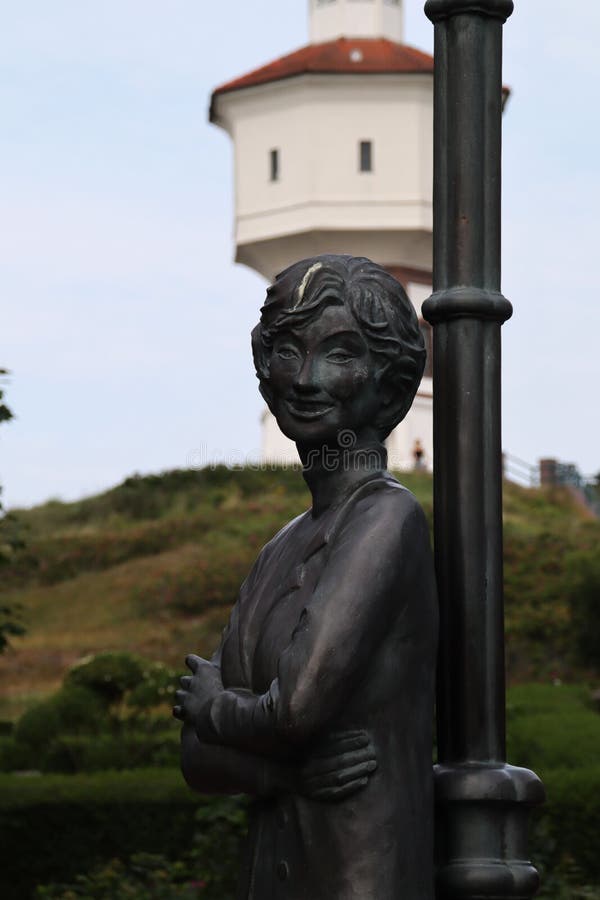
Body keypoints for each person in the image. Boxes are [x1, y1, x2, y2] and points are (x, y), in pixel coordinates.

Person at [174, 255, 438, 899]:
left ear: (392, 383)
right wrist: (282, 776)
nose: (307, 379)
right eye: (288, 351)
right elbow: (196, 756)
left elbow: (293, 711)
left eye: (342, 354)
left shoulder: (387, 517)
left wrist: (216, 710)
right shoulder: (281, 547)